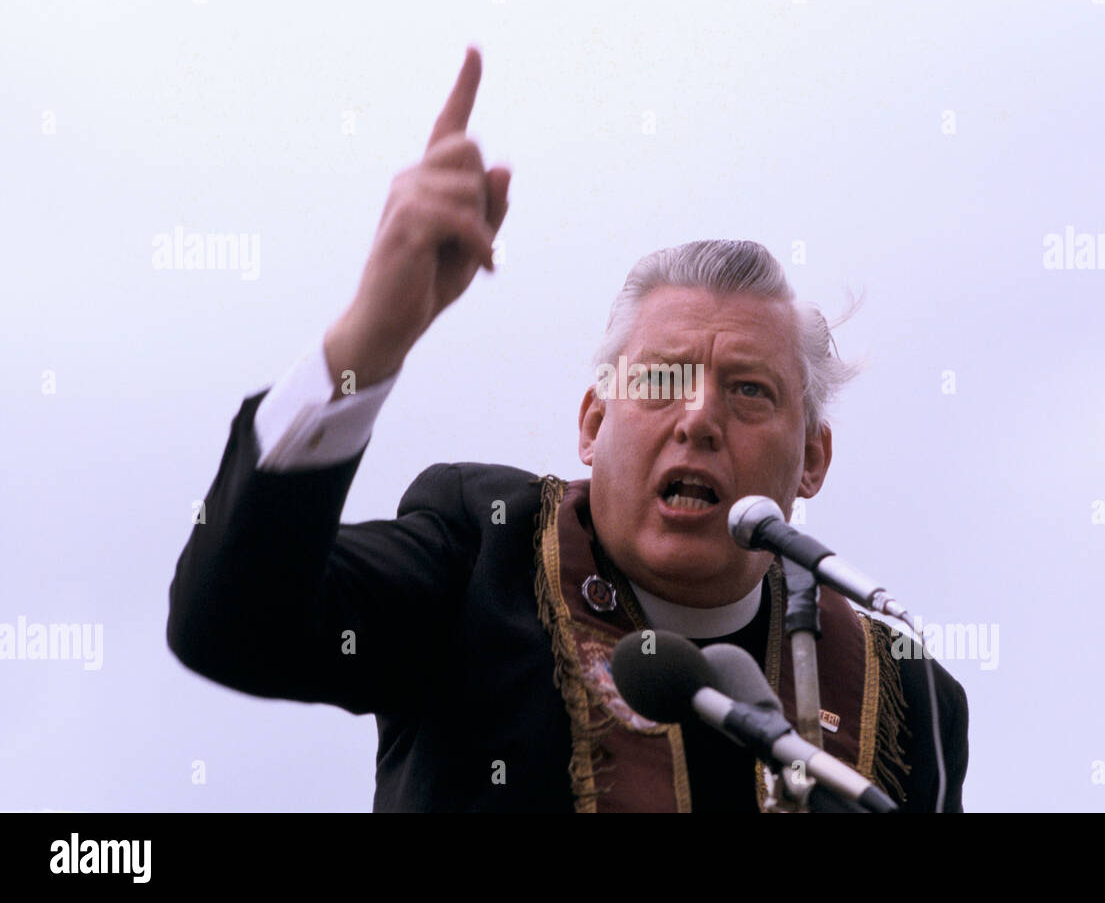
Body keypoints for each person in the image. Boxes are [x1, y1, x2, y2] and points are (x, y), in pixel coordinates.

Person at [166, 45, 969, 812]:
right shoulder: (479, 551)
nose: (698, 419)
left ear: (813, 460)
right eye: (660, 381)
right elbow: (230, 624)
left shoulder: (901, 697)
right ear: (593, 425)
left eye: (750, 392)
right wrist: (369, 339)